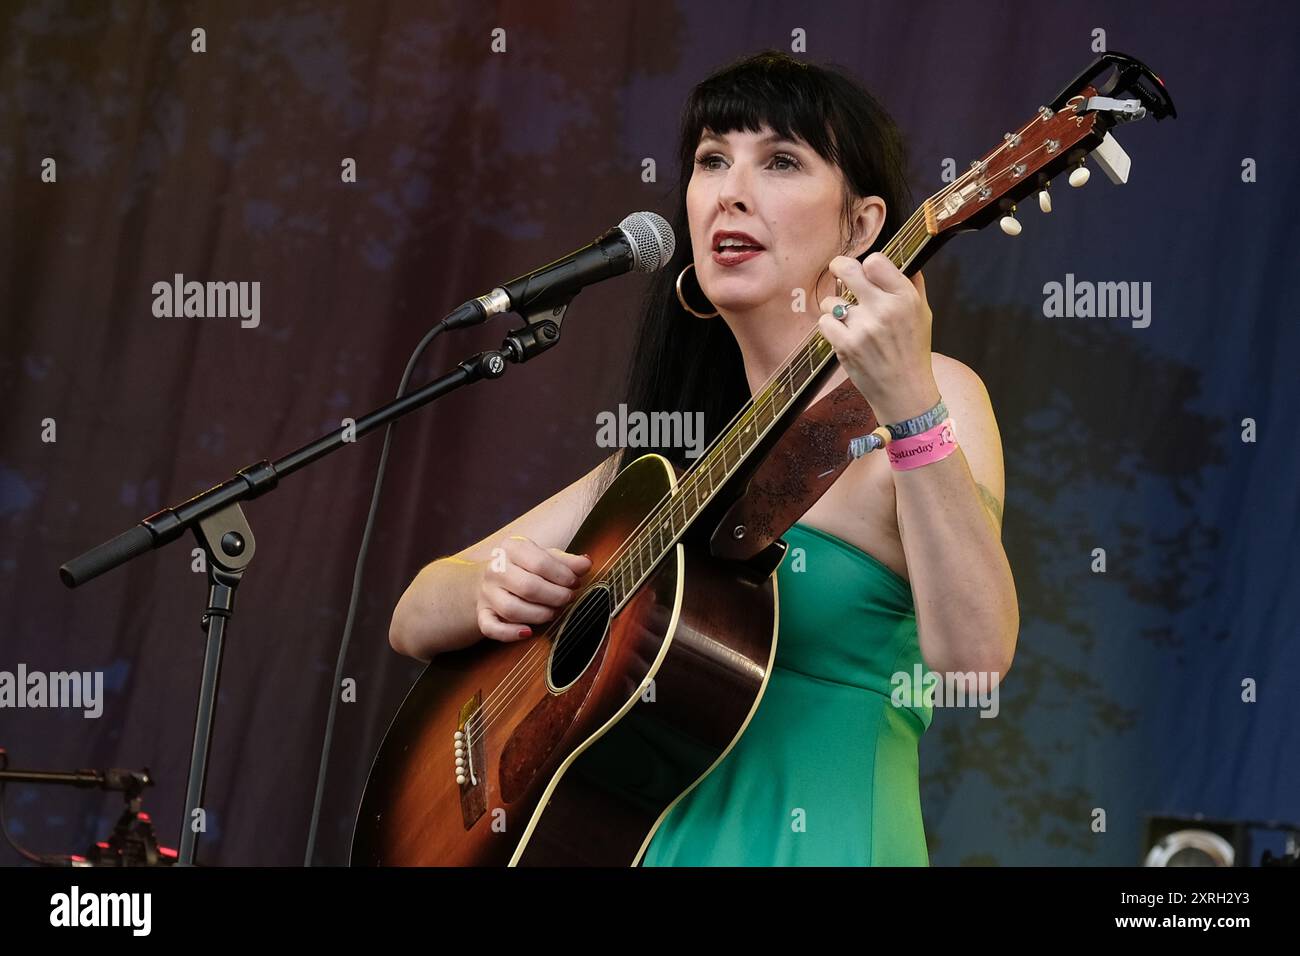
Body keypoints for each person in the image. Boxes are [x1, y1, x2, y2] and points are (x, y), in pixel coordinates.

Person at [388, 50, 1019, 866]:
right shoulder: (666, 467)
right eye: (712, 160)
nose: (732, 190)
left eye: (781, 161)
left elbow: (977, 657)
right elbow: (412, 614)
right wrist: (491, 589)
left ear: (861, 227)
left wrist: (907, 404)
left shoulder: (931, 393)